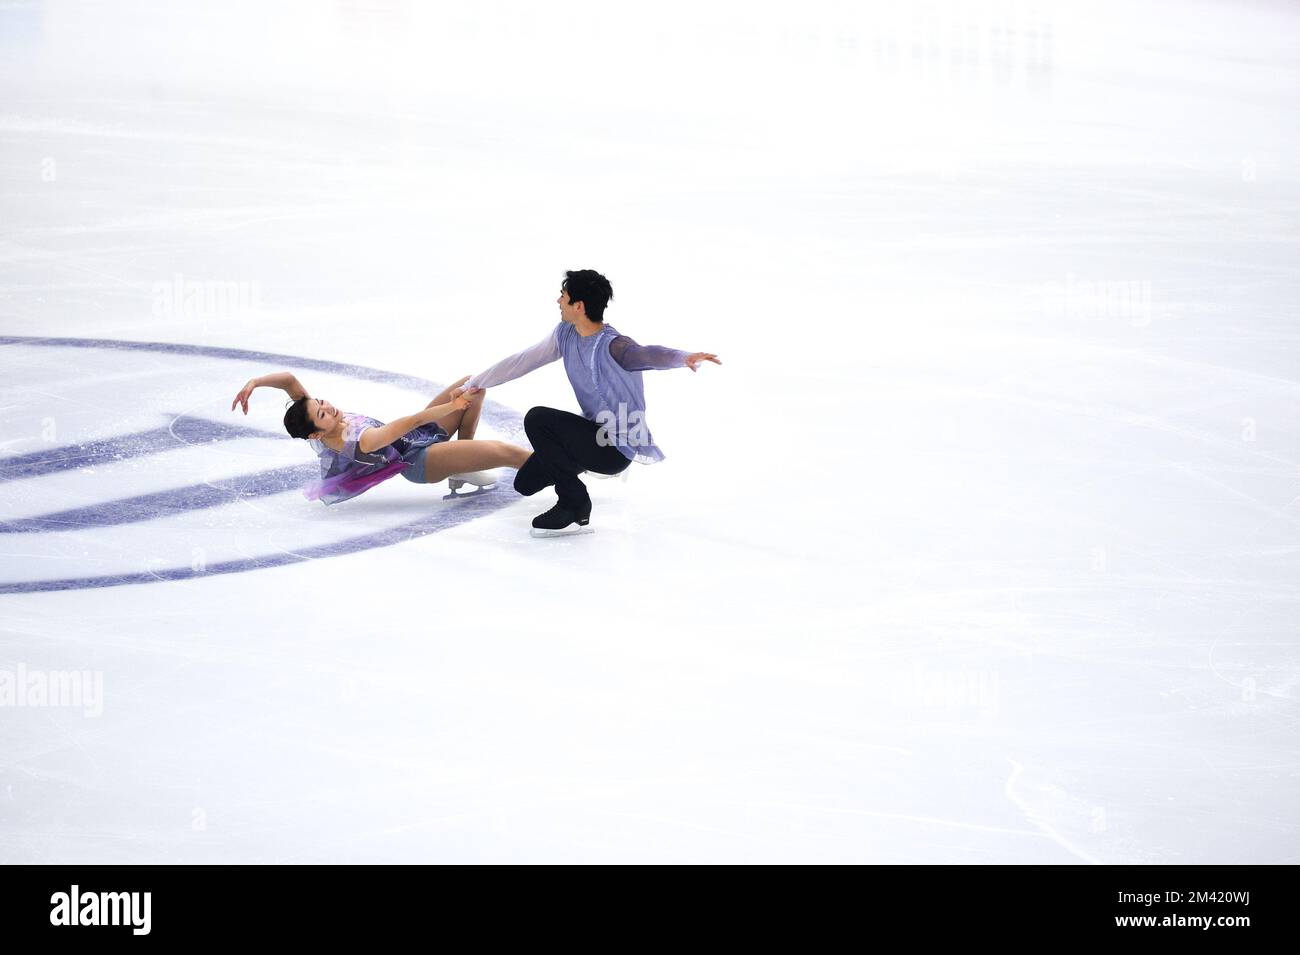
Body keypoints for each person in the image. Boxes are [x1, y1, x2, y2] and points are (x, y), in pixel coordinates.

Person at [456, 269, 720, 534]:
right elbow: (523, 360)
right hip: (593, 434)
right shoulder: (566, 334)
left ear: (578, 306)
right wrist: (475, 382)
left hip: (613, 447)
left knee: (538, 419)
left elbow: (648, 354)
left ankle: (576, 504)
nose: (558, 301)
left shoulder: (614, 346)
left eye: (563, 296)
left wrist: (683, 357)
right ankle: (571, 485)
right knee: (525, 483)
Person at [231, 371, 530, 506]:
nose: (328, 407)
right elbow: (409, 421)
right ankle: (559, 468)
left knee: (472, 385)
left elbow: (290, 381)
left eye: (320, 402)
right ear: (316, 434)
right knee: (504, 451)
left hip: (422, 435)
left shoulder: (320, 423)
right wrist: (452, 407)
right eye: (322, 413)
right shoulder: (359, 440)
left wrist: (254, 383)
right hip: (419, 460)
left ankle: (461, 465)